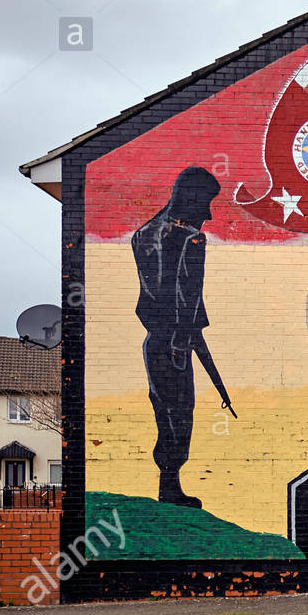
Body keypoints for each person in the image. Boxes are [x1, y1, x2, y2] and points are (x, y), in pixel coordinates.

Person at [131, 167, 222, 509]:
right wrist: (184, 341)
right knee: (181, 416)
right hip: (176, 343)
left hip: (154, 341)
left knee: (163, 411)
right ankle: (170, 490)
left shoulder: (142, 235)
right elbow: (188, 298)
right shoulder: (191, 240)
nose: (209, 214)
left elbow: (158, 295)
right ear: (192, 197)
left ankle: (168, 487)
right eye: (207, 203)